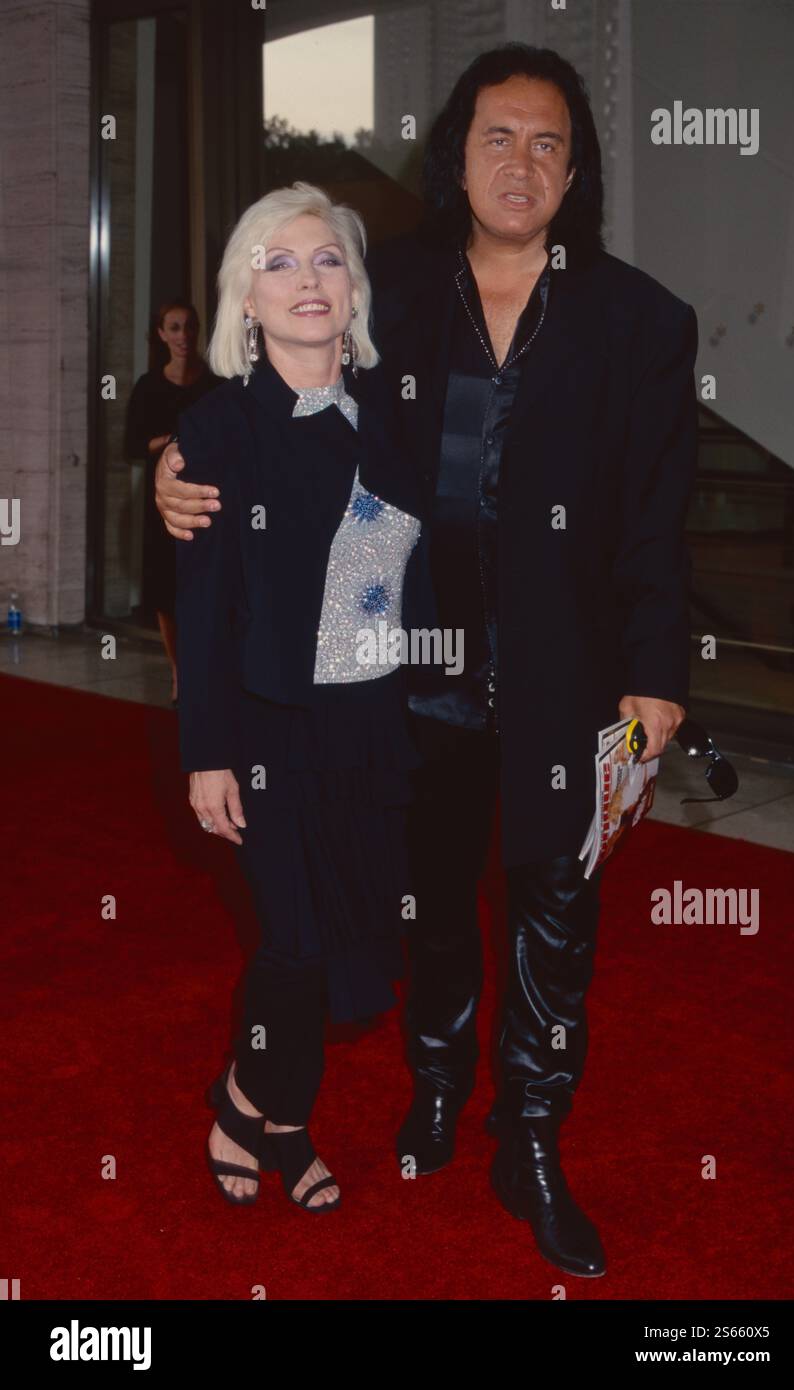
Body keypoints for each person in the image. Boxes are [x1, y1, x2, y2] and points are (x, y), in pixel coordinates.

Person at [155, 45, 699, 1276]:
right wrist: (177, 469)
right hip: (414, 668)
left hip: (573, 672)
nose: (521, 162)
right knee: (436, 902)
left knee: (557, 911)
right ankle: (439, 1090)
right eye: (496, 136)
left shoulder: (641, 323)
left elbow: (658, 515)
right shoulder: (385, 288)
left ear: (577, 170)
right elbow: (272, 392)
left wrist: (658, 673)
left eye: (548, 141)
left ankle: (534, 1139)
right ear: (453, 154)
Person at [173, 183, 427, 1211]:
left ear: (356, 288)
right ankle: (250, 1103)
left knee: (352, 940)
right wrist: (205, 753)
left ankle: (280, 1108)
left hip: (370, 729)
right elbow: (199, 606)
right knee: (293, 939)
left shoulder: (393, 418)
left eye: (326, 260)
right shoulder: (221, 426)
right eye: (278, 263)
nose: (306, 280)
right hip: (264, 726)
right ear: (246, 298)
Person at [124, 301, 218, 702]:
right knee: (165, 591)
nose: (183, 336)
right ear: (161, 334)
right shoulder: (148, 385)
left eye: (189, 328)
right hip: (161, 498)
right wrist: (175, 438)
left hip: (207, 496)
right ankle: (179, 671)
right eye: (175, 328)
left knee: (205, 585)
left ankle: (206, 669)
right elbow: (132, 445)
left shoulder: (214, 383)